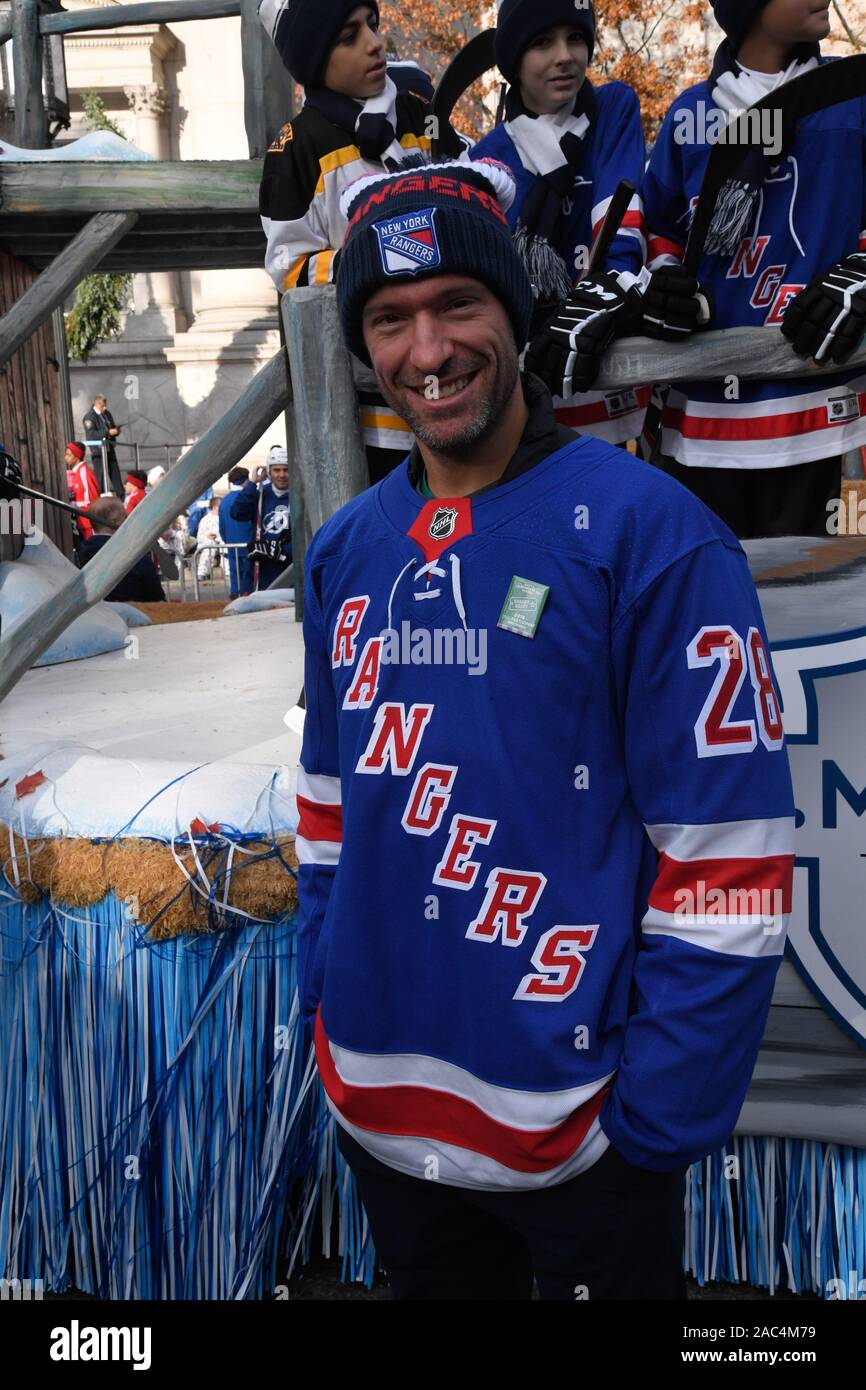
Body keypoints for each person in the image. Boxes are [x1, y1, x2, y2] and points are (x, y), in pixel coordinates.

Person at [295, 159, 796, 1301]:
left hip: (586, 1144)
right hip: (383, 1122)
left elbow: (728, 852)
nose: (428, 350)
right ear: (362, 344)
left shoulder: (654, 537)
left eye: (456, 304)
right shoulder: (344, 551)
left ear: (514, 314)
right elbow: (329, 812)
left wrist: (651, 1123)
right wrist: (326, 1009)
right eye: (389, 319)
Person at [635, 0, 866, 539]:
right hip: (701, 425)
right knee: (712, 588)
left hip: (822, 416)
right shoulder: (690, 115)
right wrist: (665, 284)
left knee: (819, 591)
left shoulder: (854, 95)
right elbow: (661, 228)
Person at [258, 0, 464, 483]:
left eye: (372, 24)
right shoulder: (296, 147)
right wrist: (372, 257)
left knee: (463, 512)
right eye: (349, 37)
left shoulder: (420, 115)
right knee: (397, 516)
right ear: (313, 59)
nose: (375, 43)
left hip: (454, 372)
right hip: (372, 403)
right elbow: (289, 266)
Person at [471, 0, 650, 445]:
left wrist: (603, 294)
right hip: (531, 394)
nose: (564, 56)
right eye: (541, 43)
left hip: (608, 368)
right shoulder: (484, 159)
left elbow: (620, 233)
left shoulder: (612, 107)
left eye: (575, 38)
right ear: (514, 58)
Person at [78, 497, 166, 603]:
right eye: (125, 516)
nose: (128, 520)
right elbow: (156, 596)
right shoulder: (135, 556)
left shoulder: (80, 554)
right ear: (114, 521)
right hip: (134, 611)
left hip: (94, 611)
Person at [230, 445, 292, 591]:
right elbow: (237, 512)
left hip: (290, 571)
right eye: (277, 470)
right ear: (269, 471)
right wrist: (252, 484)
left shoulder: (301, 495)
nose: (282, 475)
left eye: (286, 470)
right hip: (262, 573)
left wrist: (282, 550)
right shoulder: (260, 494)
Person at [219, 466, 254, 597]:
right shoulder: (248, 498)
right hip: (249, 545)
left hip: (232, 545)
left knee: (235, 581)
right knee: (249, 582)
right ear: (246, 479)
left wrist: (227, 540)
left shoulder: (224, 501)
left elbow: (222, 527)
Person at [82, 396, 123, 497]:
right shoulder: (89, 417)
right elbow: (91, 435)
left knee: (115, 475)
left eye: (105, 405)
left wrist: (116, 431)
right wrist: (107, 432)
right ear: (96, 404)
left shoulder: (107, 414)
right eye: (102, 406)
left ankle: (122, 497)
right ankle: (100, 497)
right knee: (100, 476)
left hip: (109, 448)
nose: (105, 408)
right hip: (98, 451)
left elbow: (112, 426)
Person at [65, 441, 101, 542]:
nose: (65, 457)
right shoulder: (77, 471)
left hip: (88, 523)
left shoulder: (83, 472)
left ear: (77, 455)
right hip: (81, 521)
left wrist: (73, 504)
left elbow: (91, 499)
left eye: (68, 455)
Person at [195, 497, 223, 581]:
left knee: (226, 546)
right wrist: (207, 536)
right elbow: (199, 537)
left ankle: (228, 572)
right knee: (209, 546)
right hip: (209, 543)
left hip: (222, 543)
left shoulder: (224, 517)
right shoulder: (205, 520)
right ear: (215, 507)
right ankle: (202, 572)